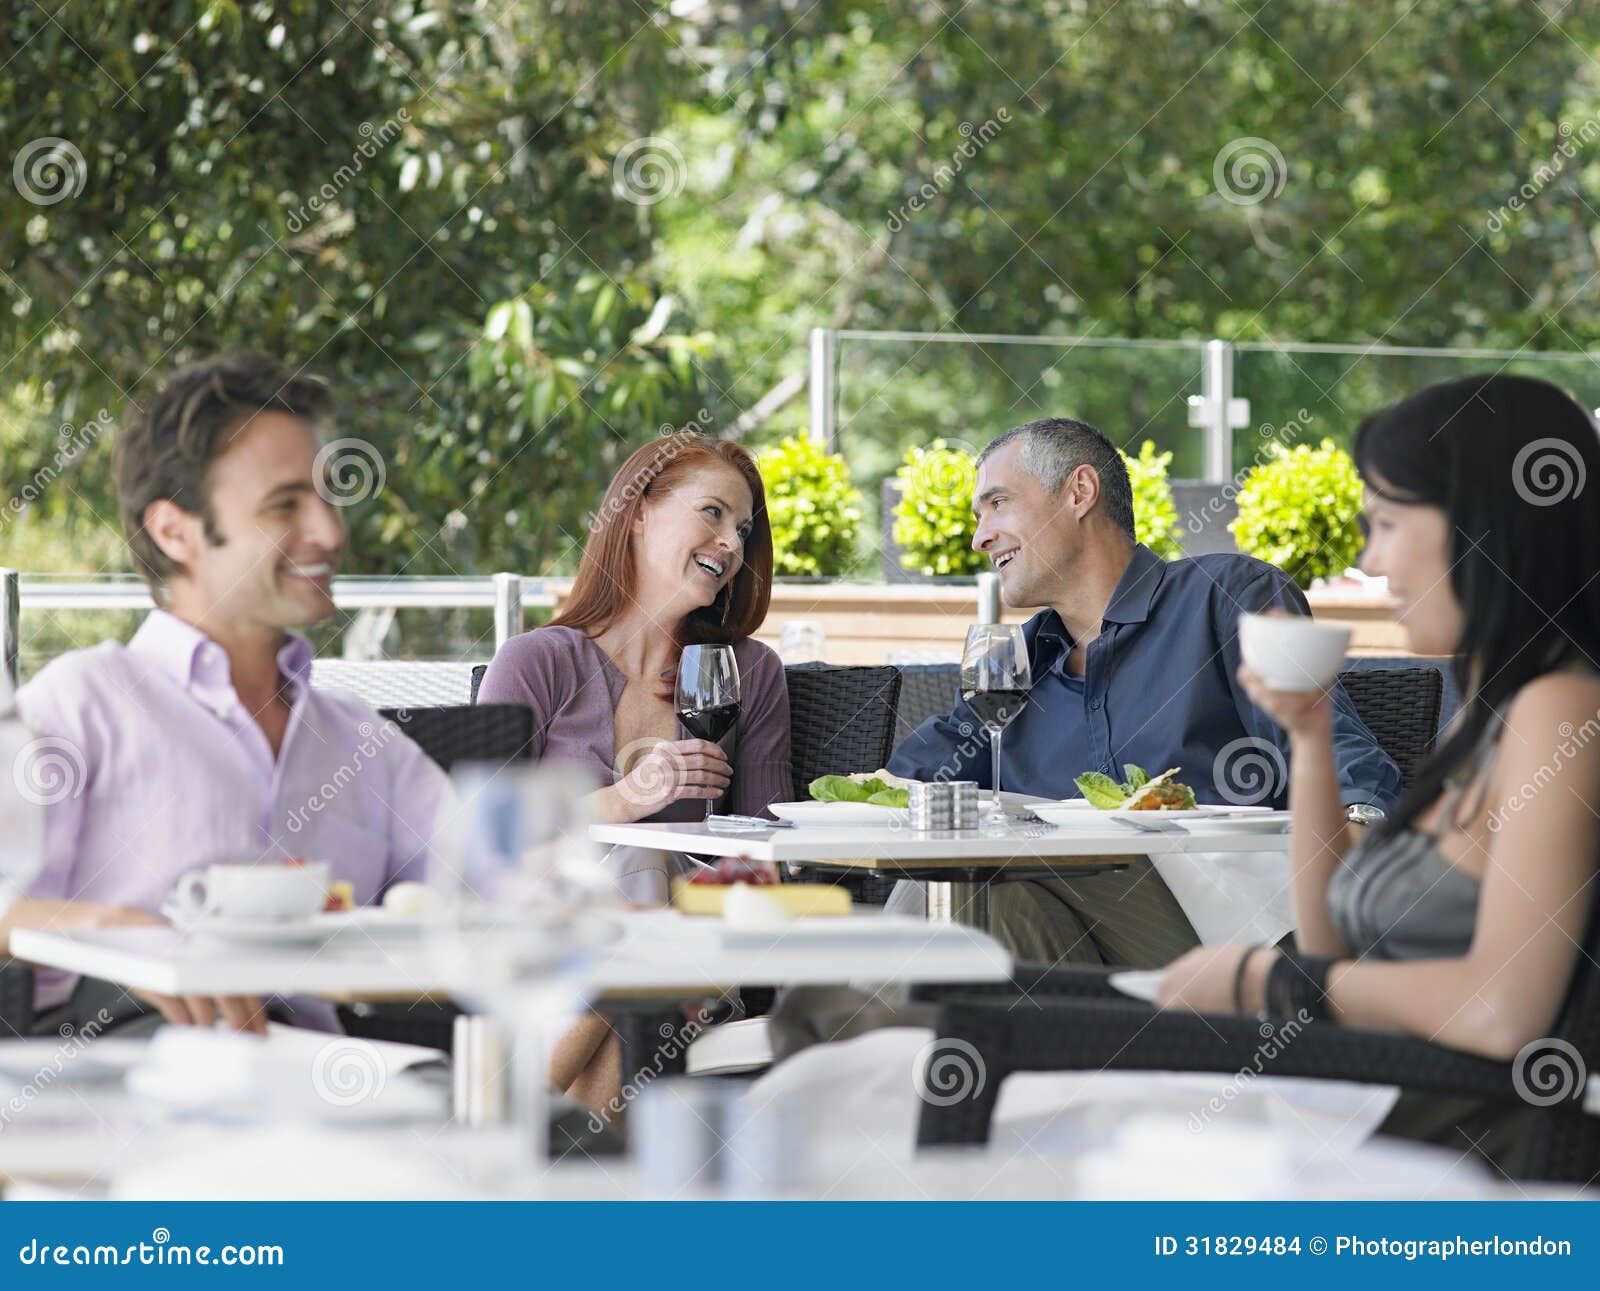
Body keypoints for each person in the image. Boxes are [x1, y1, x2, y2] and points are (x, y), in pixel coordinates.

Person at [1155, 374, 1600, 1172]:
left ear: (1484, 528)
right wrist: (1312, 741)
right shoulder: (1485, 713)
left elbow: (1505, 1012)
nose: (1368, 559)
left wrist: (1270, 980)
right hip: (1378, 1114)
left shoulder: (1561, 711)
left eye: (1389, 523)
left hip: (1472, 1159)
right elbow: (1333, 942)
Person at [0, 355, 450, 1035]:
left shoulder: (359, 739)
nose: (330, 531)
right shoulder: (83, 703)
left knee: (555, 1125)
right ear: (175, 530)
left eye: (328, 497)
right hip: (124, 1076)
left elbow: (490, 876)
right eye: (285, 505)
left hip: (324, 1084)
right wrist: (117, 933)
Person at [889, 417, 1401, 966]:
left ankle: (826, 1031)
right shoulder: (1014, 666)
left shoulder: (1223, 597)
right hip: (1078, 962)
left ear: (1079, 492)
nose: (979, 536)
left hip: (1229, 943)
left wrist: (1344, 923)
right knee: (981, 889)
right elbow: (906, 783)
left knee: (993, 869)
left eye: (997, 504)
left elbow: (1344, 767)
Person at [478, 430, 791, 1111]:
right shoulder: (536, 661)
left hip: (698, 945)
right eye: (712, 513)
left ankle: (507, 1110)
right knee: (630, 884)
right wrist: (624, 800)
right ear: (638, 511)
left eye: (741, 529)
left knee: (645, 876)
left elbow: (769, 853)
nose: (732, 544)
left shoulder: (748, 672)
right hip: (548, 941)